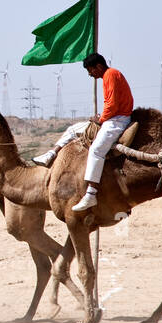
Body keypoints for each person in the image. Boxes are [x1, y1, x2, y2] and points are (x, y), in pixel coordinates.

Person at [32, 53, 133, 212]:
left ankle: (91, 193)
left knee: (96, 150)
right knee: (72, 130)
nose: (90, 74)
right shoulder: (108, 76)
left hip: (117, 120)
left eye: (90, 70)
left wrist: (100, 120)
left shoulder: (111, 75)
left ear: (98, 66)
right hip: (109, 118)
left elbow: (112, 105)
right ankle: (51, 153)